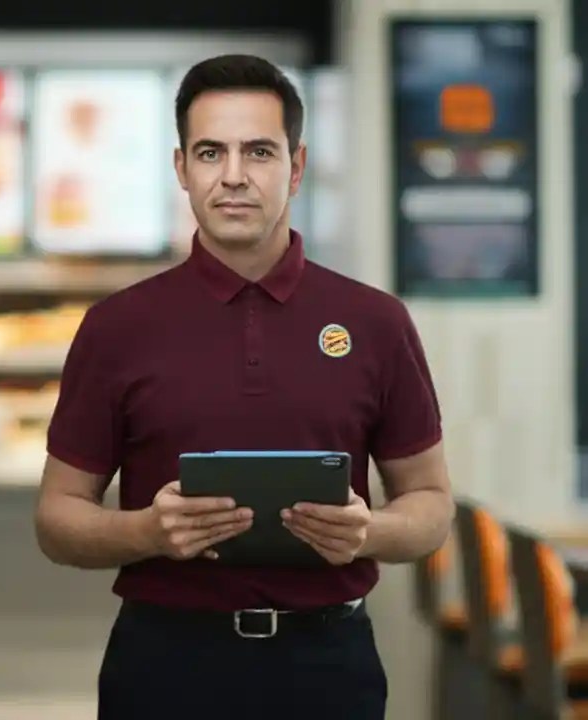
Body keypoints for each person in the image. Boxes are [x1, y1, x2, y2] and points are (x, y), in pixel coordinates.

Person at [33, 54, 454, 719]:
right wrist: (146, 531)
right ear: (182, 169)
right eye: (210, 152)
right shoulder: (117, 327)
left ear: (296, 166)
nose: (233, 176)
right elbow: (57, 520)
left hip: (328, 665)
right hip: (164, 665)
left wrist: (366, 533)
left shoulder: (376, 322)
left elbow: (431, 503)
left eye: (258, 151)